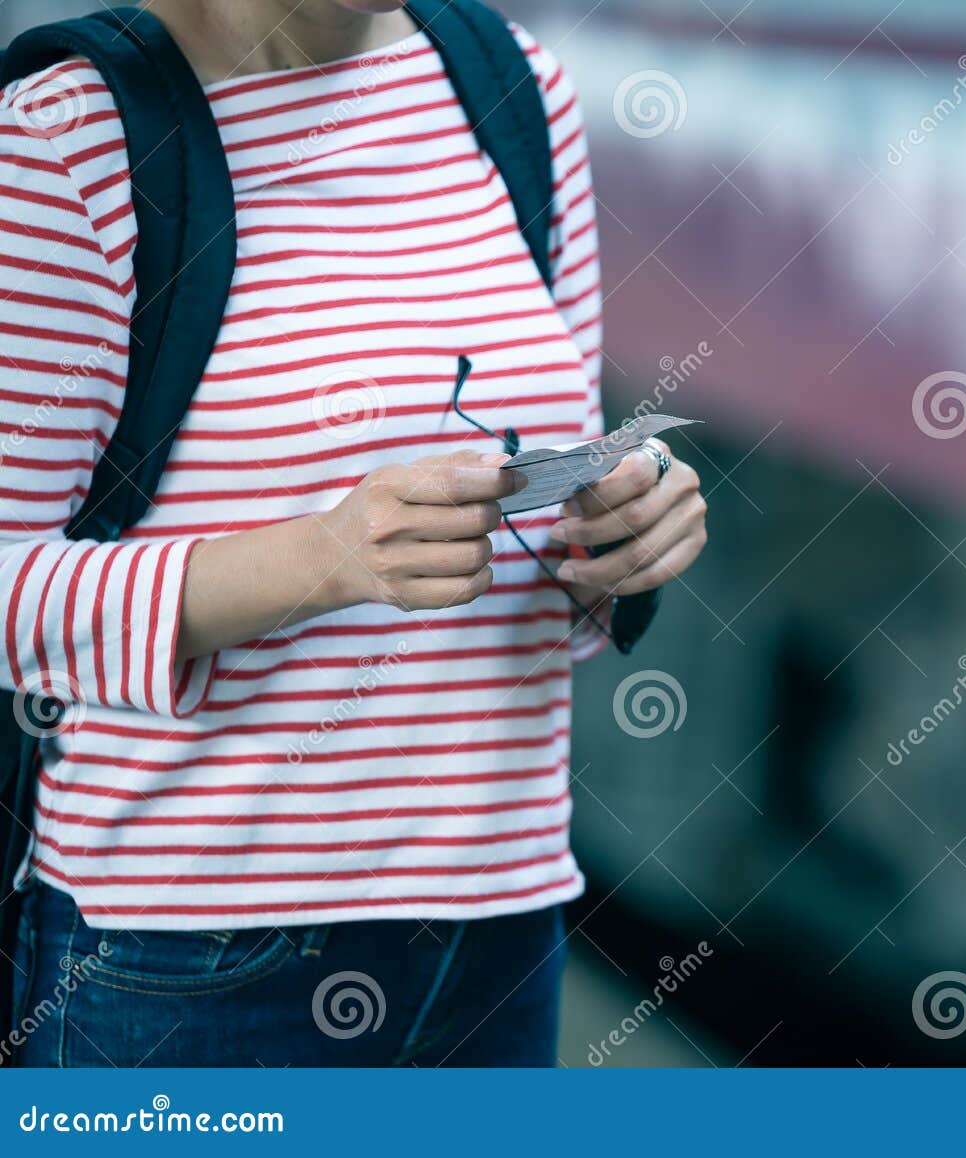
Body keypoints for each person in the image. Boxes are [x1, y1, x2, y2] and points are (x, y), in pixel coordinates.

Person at [0, 0, 707, 1066]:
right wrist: (321, 559)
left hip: (498, 930)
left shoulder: (511, 86)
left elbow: (547, 525)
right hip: (191, 962)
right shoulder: (69, 138)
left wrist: (621, 538)